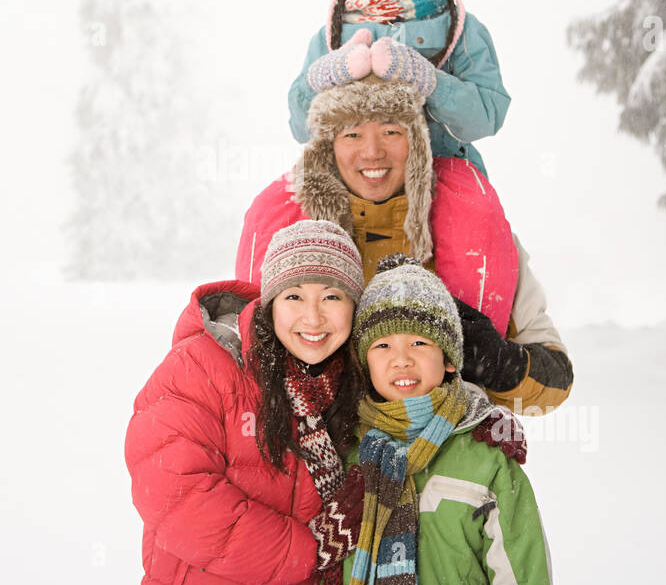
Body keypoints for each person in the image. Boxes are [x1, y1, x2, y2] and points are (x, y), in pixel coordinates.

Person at [239, 76, 573, 415]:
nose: (372, 152)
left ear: (417, 138)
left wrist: (497, 362)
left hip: (449, 457)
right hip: (322, 460)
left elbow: (555, 384)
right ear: (328, 145)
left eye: (391, 131)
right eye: (351, 133)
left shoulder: (474, 229)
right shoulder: (290, 244)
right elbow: (232, 382)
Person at [124, 220, 370, 585]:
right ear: (270, 303)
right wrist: (310, 549)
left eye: (332, 297)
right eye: (294, 297)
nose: (314, 317)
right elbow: (178, 498)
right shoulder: (200, 367)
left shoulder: (352, 387)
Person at [340, 254, 553, 585]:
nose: (402, 358)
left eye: (419, 342)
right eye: (382, 345)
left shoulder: (488, 457)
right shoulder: (348, 451)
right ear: (365, 363)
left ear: (450, 360)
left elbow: (523, 579)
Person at [288, 0, 510, 177]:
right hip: (358, 178)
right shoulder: (335, 31)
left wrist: (431, 82)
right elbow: (301, 128)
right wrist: (324, 79)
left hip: (441, 174)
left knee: (477, 219)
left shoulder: (463, 28)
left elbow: (486, 116)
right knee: (276, 209)